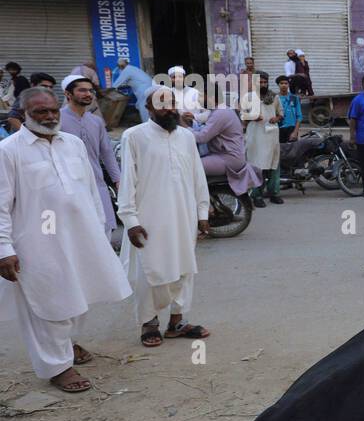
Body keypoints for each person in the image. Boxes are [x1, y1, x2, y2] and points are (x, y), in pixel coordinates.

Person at [0, 88, 131, 392]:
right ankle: (57, 367)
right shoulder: (9, 151)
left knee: (79, 297)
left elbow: (90, 190)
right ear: (24, 115)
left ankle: (66, 346)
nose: (48, 117)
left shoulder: (72, 144)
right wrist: (4, 248)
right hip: (37, 242)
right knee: (48, 302)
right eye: (39, 112)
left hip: (81, 236)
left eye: (52, 110)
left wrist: (100, 228)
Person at [118, 87, 212, 347]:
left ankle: (177, 322)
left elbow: (197, 177)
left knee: (184, 269)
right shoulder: (134, 136)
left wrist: (202, 213)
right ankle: (149, 323)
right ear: (148, 108)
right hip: (149, 218)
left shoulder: (186, 137)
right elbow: (127, 182)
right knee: (152, 270)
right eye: (161, 104)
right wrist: (131, 221)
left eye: (172, 103)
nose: (169, 109)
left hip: (184, 215)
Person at [57, 74, 120, 239]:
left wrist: (118, 180)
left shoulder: (96, 121)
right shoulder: (56, 119)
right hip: (68, 186)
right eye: (82, 90)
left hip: (97, 184)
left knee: (104, 232)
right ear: (68, 94)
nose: (88, 94)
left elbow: (107, 153)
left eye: (90, 91)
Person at [244, 73, 283, 208]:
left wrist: (276, 119)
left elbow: (280, 113)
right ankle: (257, 195)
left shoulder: (274, 97)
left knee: (273, 164)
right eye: (260, 82)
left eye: (265, 82)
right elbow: (242, 115)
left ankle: (274, 193)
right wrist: (252, 117)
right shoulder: (248, 97)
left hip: (271, 134)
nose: (263, 84)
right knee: (256, 165)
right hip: (255, 136)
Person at [275, 75, 303, 143]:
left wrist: (295, 132)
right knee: (280, 151)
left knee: (292, 151)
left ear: (288, 85)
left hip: (291, 129)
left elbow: (299, 116)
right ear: (278, 85)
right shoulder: (275, 98)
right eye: (281, 83)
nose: (284, 85)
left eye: (286, 83)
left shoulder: (294, 98)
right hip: (278, 129)